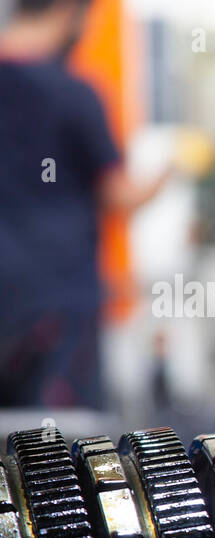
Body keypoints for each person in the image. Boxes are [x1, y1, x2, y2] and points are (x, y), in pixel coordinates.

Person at [0, 0, 168, 408]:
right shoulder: (74, 94)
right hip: (56, 307)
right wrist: (172, 171)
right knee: (61, 453)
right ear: (67, 12)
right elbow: (118, 195)